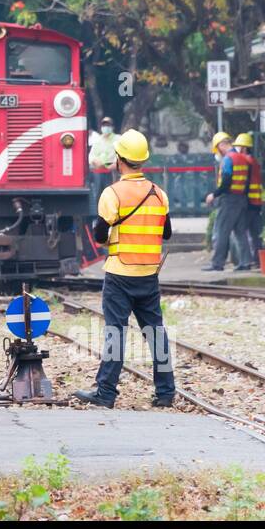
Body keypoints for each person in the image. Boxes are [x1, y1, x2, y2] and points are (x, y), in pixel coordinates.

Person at [75, 129, 176, 409]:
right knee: (156, 332)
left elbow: (98, 236)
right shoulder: (159, 194)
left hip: (120, 273)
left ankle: (106, 393)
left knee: (115, 332)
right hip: (148, 275)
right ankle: (166, 392)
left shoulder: (112, 194)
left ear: (119, 160)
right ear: (142, 160)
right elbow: (165, 233)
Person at [205, 133, 256, 271]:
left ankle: (217, 263)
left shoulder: (228, 159)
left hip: (229, 200)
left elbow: (226, 181)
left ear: (222, 145)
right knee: (240, 232)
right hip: (241, 199)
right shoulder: (242, 158)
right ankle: (246, 262)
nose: (219, 152)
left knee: (221, 231)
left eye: (218, 148)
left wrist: (214, 195)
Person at [234, 132, 263, 267]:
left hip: (248, 202)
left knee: (241, 231)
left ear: (244, 148)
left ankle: (247, 260)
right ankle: (258, 260)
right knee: (255, 233)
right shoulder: (254, 161)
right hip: (256, 202)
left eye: (239, 147)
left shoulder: (246, 161)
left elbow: (243, 183)